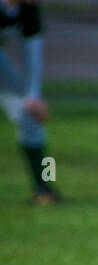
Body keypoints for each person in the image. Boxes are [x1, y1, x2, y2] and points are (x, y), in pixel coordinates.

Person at [0, 1, 58, 204]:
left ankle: (44, 187)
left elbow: (32, 48)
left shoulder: (27, 8)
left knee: (31, 117)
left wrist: (33, 96)